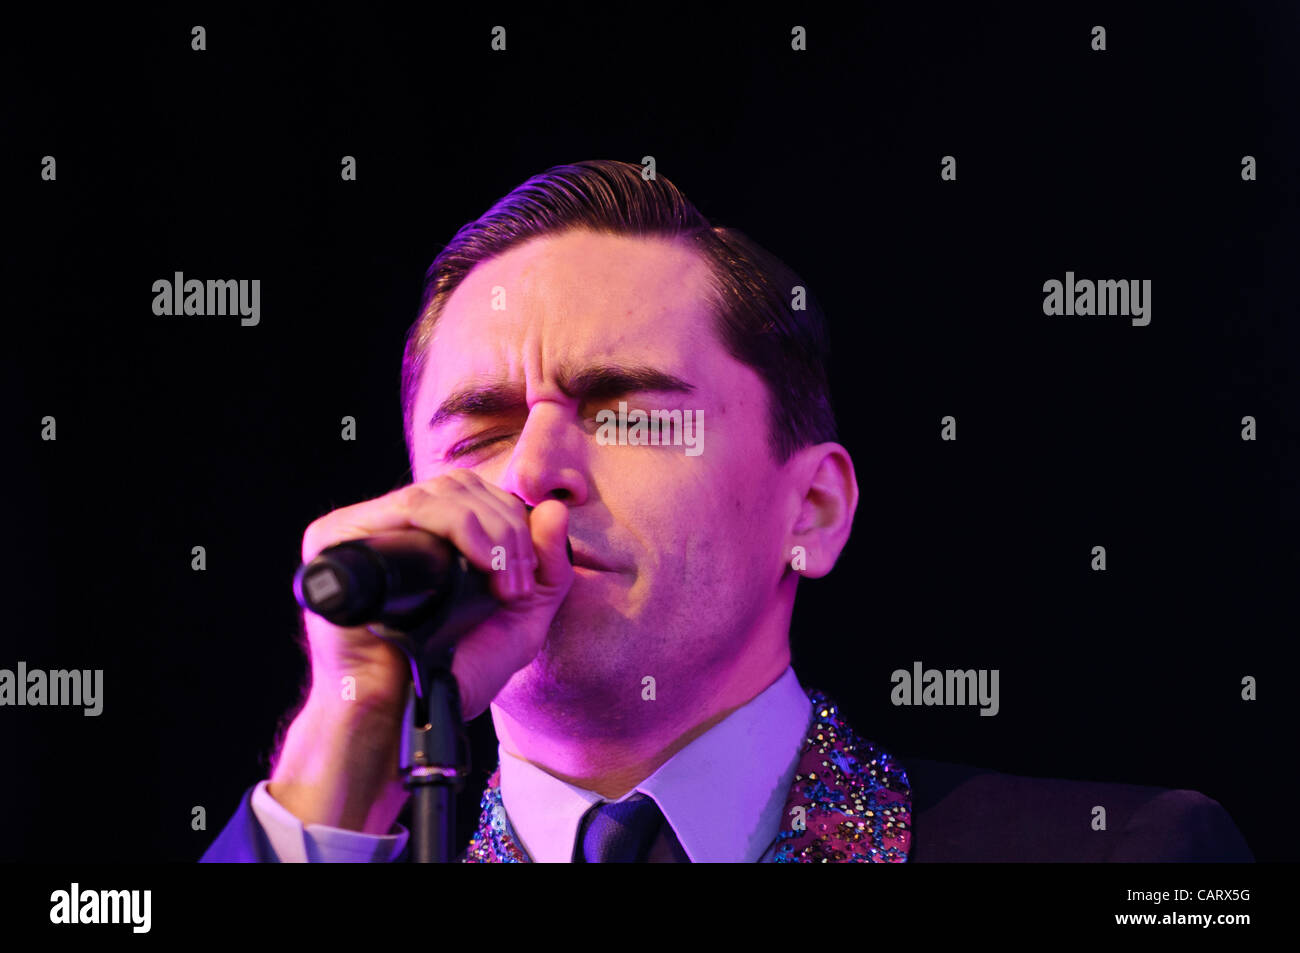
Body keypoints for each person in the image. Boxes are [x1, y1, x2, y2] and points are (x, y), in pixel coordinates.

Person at [201, 160, 1253, 863]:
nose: (533, 467)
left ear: (816, 507)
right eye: (478, 426)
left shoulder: (1125, 853)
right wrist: (353, 728)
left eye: (626, 411)